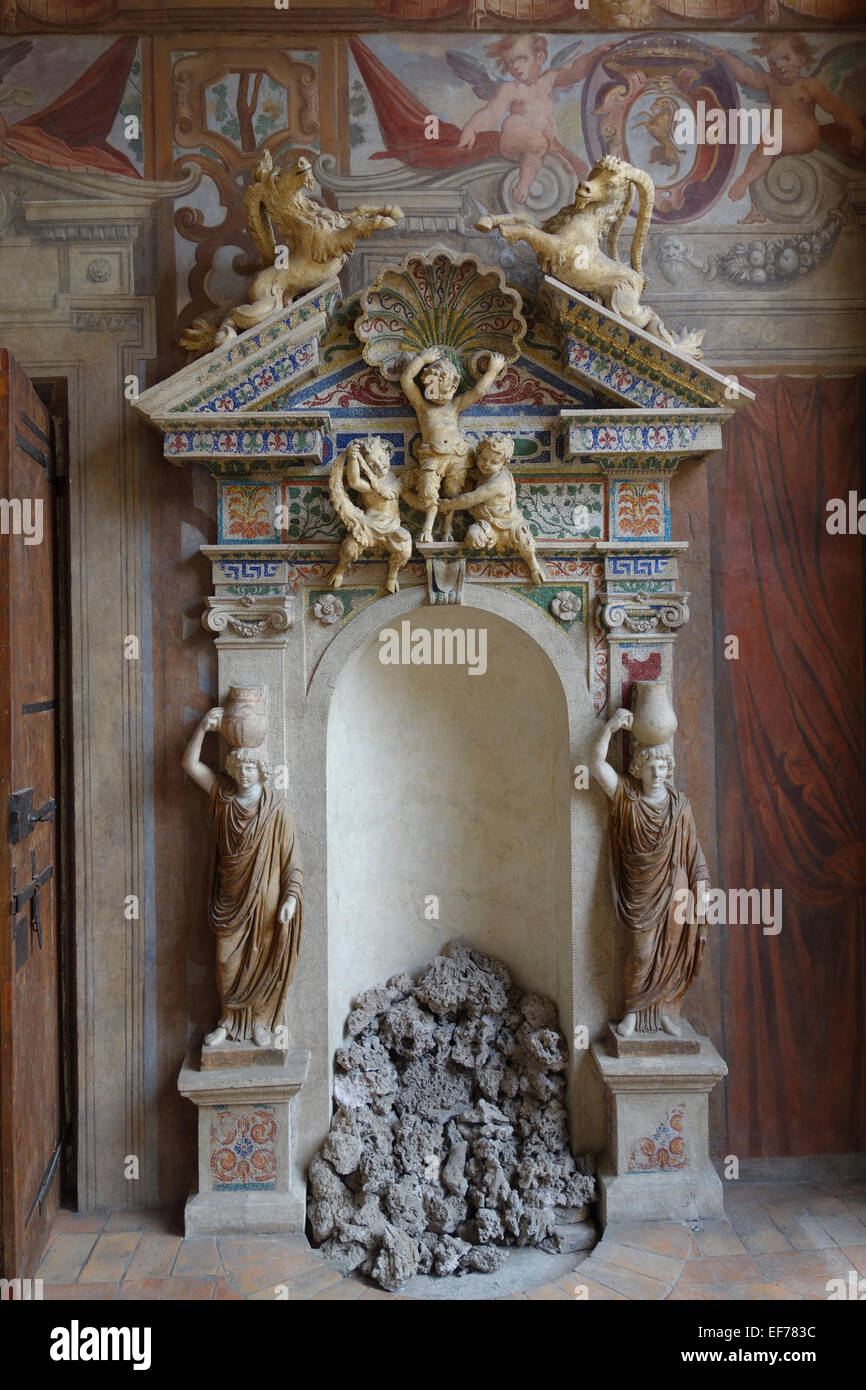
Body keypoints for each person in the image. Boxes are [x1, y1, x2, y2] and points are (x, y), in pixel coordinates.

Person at [182, 709, 302, 1048]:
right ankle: (228, 1019)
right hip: (230, 898)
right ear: (232, 769)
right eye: (240, 767)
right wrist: (203, 728)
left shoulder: (277, 808)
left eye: (251, 768)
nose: (245, 773)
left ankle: (260, 1021)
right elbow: (190, 765)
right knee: (225, 960)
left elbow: (293, 862)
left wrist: (290, 899)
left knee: (263, 961)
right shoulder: (223, 796)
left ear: (262, 771)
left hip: (266, 901)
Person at [589, 707, 710, 1038]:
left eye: (663, 766)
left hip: (676, 890)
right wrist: (610, 728)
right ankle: (633, 1010)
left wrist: (702, 886)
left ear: (669, 769)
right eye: (651, 766)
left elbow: (693, 853)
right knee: (642, 954)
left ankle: (665, 1011)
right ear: (639, 768)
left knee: (672, 954)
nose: (657, 772)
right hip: (641, 891)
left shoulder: (680, 806)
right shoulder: (626, 798)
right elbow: (597, 766)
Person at [715, 35, 865, 225]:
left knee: (768, 142)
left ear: (800, 61)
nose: (779, 66)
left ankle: (743, 181)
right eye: (773, 62)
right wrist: (726, 57)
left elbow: (838, 110)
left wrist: (857, 130)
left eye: (785, 58)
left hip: (804, 135)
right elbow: (747, 75)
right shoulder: (772, 84)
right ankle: (757, 210)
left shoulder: (809, 85)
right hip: (779, 138)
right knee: (757, 154)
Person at [457, 34, 612, 204]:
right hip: (514, 137)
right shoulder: (510, 89)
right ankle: (523, 185)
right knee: (535, 140)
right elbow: (491, 112)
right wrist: (471, 128)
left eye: (522, 59)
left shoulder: (550, 79)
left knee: (580, 169)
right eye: (510, 62)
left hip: (546, 142)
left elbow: (575, 71)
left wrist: (593, 55)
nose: (515, 66)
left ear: (540, 57)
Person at [400, 346, 504, 544]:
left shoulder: (454, 406)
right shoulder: (422, 406)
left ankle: (447, 528)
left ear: (454, 387)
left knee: (453, 492)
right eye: (434, 390)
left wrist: (493, 370)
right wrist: (422, 360)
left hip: (457, 455)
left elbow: (478, 392)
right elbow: (406, 380)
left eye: (445, 391)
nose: (439, 396)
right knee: (428, 489)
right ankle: (428, 527)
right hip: (433, 456)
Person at [437, 432, 545, 587]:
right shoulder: (483, 473)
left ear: (504, 464)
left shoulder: (498, 482)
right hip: (487, 524)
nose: (486, 464)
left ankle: (534, 566)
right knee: (473, 536)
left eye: (493, 462)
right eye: (483, 458)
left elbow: (471, 499)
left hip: (509, 525)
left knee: (524, 540)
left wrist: (447, 505)